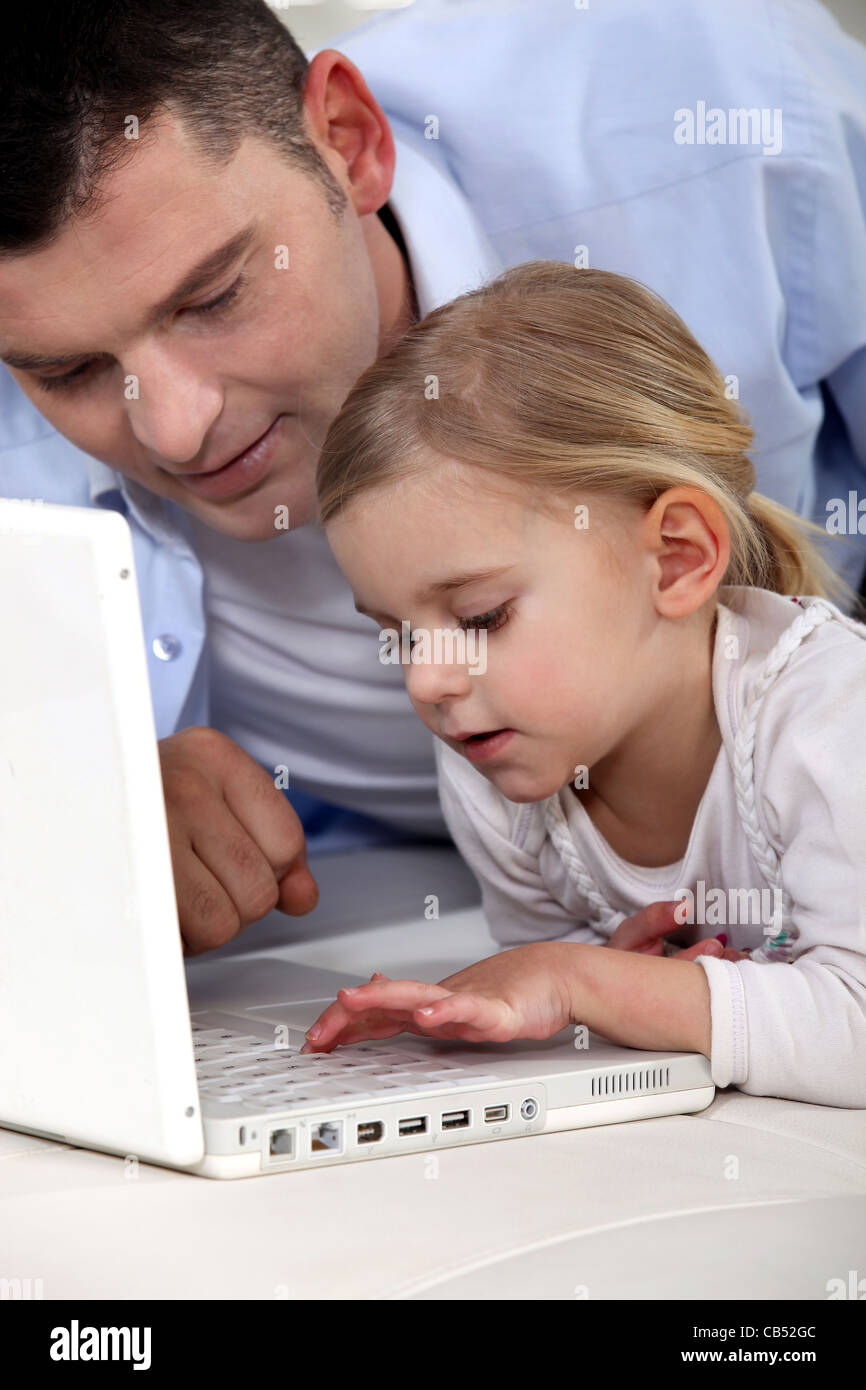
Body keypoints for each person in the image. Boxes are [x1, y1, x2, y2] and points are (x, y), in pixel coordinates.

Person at [1, 0, 865, 957]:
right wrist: (61, 803)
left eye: (214, 297)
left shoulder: (728, 118)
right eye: (67, 372)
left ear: (348, 139)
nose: (176, 427)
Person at [302, 261, 866, 1108]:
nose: (427, 681)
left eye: (482, 616)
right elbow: (572, 1001)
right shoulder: (493, 771)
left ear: (677, 557)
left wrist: (580, 979)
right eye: (397, 634)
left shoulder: (826, 717)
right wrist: (618, 986)